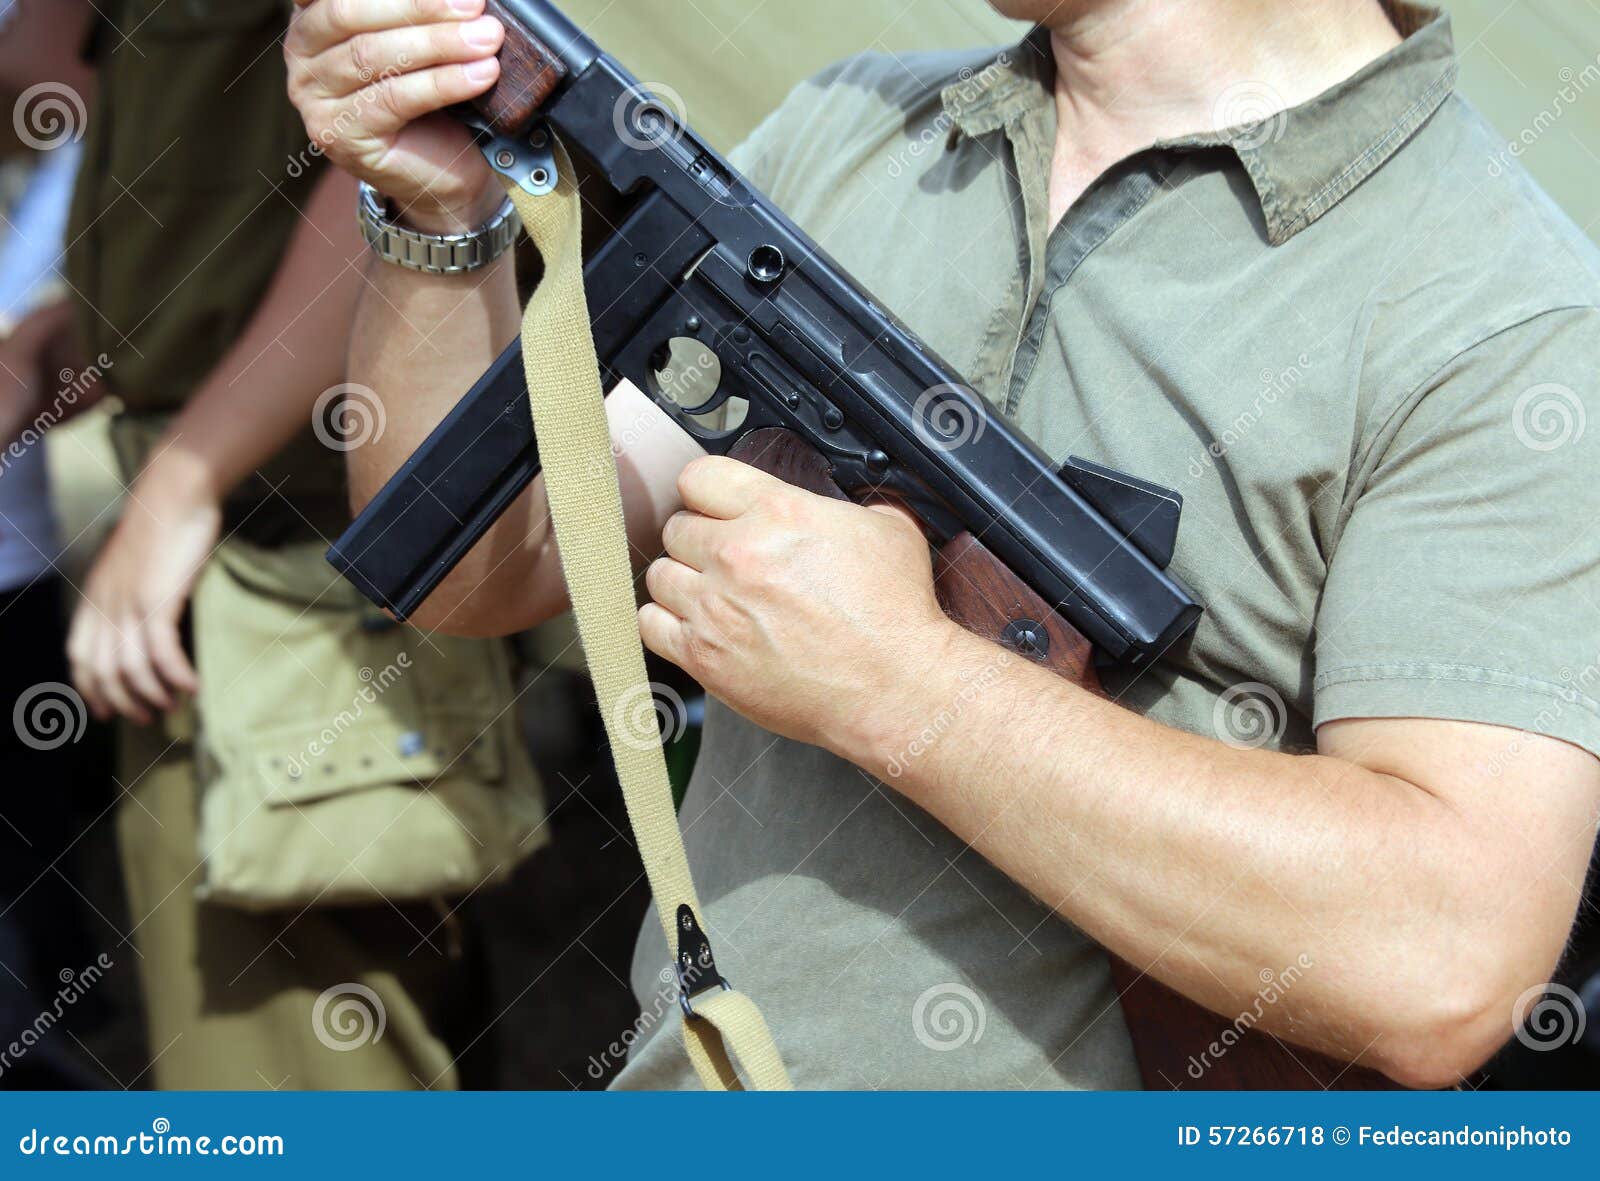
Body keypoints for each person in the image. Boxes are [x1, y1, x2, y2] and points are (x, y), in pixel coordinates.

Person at [284, 0, 1600, 1089]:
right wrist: (431, 215)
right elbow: (485, 562)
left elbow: (1440, 962)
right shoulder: (865, 129)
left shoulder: (1507, 315)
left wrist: (900, 687)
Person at [18, 0, 545, 1090]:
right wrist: (73, 336)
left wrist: (182, 480)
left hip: (298, 552)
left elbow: (399, 167)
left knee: (290, 1082)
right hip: (237, 541)